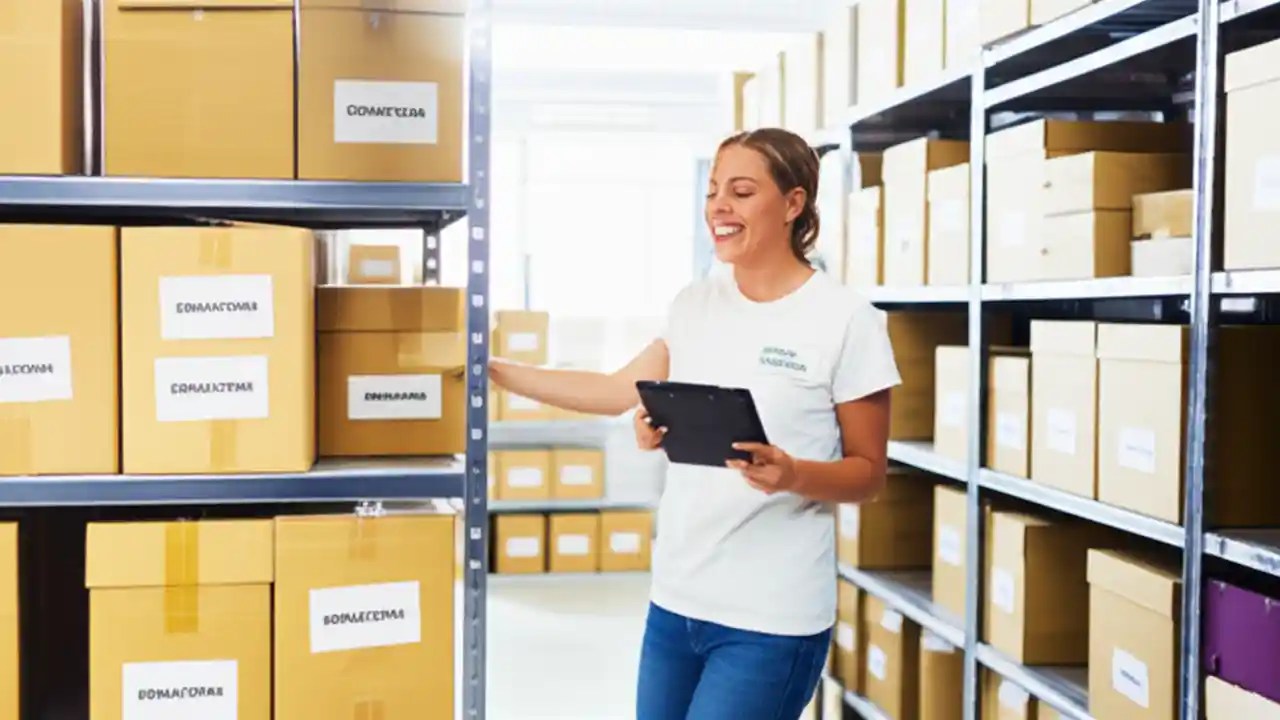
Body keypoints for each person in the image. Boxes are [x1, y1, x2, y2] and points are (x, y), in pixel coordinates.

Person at [488, 127, 901, 720]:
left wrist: (791, 473)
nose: (719, 209)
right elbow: (612, 392)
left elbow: (868, 474)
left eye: (740, 191)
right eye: (712, 192)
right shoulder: (695, 303)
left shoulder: (844, 319)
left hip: (769, 618)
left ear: (793, 204)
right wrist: (493, 370)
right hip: (676, 601)